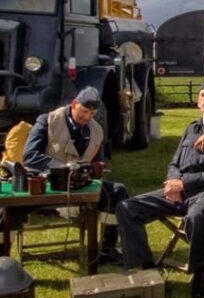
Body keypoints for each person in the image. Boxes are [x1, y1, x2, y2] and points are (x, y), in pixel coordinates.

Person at [115, 80, 204, 298]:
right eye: (202, 94)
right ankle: (145, 269)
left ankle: (199, 272)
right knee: (127, 207)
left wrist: (184, 183)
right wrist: (173, 182)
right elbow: (174, 163)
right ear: (197, 102)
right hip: (178, 190)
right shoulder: (190, 129)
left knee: (198, 216)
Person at [23, 87, 130, 262]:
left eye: (92, 113)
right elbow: (30, 156)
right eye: (84, 111)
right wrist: (61, 168)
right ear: (74, 104)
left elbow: (98, 161)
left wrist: (95, 170)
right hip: (50, 185)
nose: (87, 117)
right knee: (7, 207)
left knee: (118, 192)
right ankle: (1, 255)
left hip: (82, 186)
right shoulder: (47, 121)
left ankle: (106, 249)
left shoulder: (96, 130)